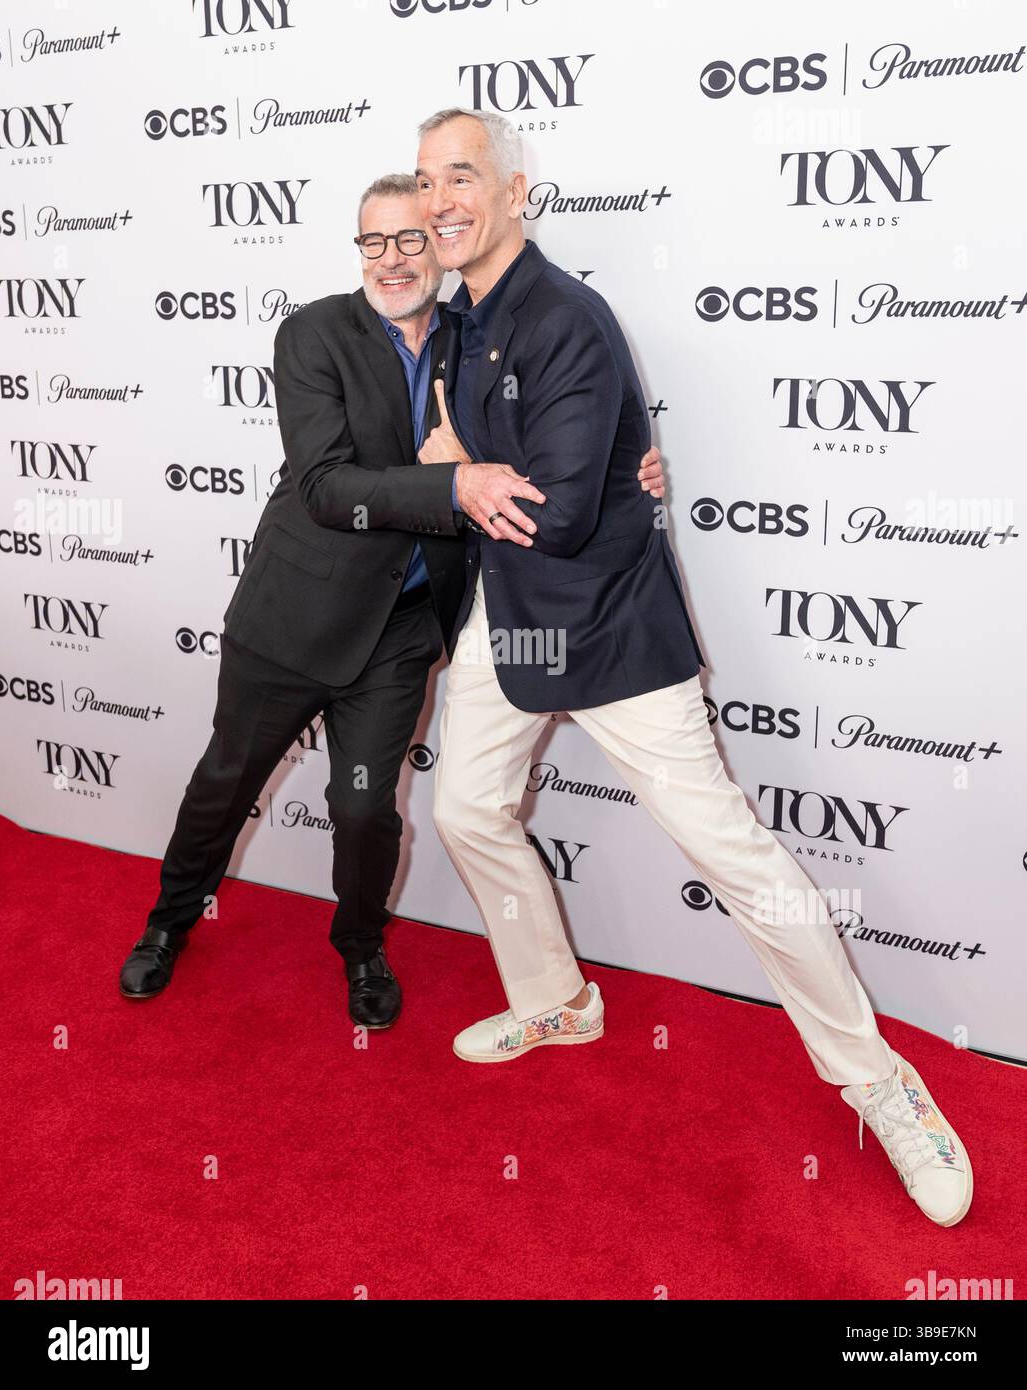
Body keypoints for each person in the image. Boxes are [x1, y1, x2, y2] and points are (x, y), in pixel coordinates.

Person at [416, 108, 972, 1228]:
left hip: (614, 630)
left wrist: (460, 470)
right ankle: (559, 1000)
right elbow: (545, 479)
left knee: (739, 859)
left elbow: (561, 511)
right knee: (467, 806)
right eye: (427, 181)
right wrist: (486, 470)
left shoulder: (567, 316)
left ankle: (881, 1082)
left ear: (518, 191)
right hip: (515, 620)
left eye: (462, 175)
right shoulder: (459, 319)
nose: (440, 201)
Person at [118, 173, 665, 1030]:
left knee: (366, 805)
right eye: (372, 242)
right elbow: (328, 485)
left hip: (402, 631)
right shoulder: (312, 334)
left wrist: (628, 471)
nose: (391, 259)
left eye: (410, 239)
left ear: (439, 246)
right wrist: (453, 484)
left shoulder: (477, 338)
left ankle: (361, 944)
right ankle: (169, 920)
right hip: (292, 618)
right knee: (226, 783)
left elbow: (555, 438)